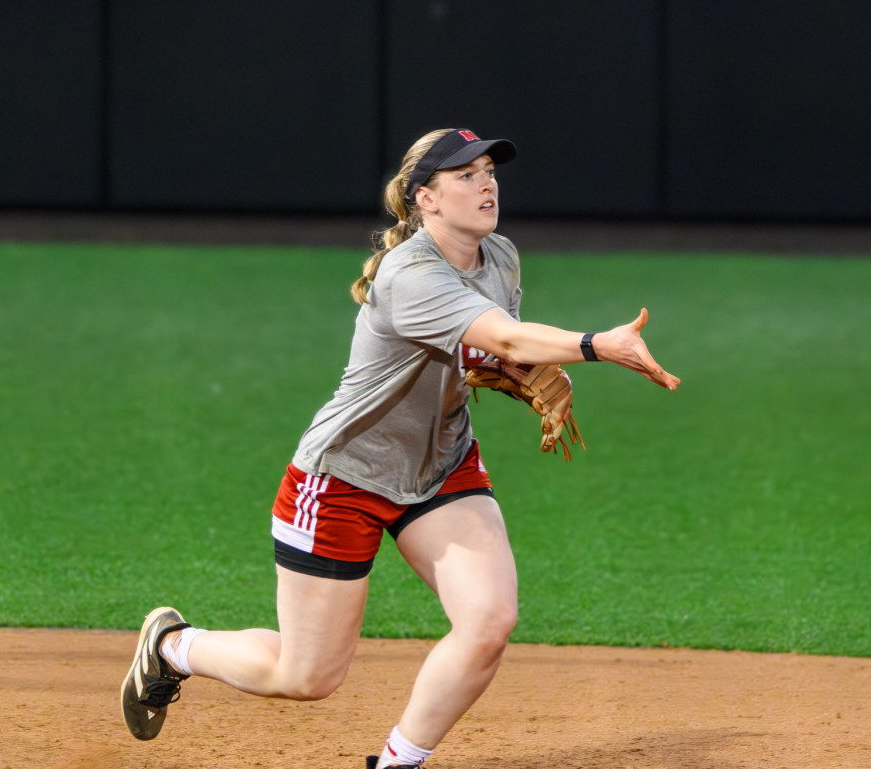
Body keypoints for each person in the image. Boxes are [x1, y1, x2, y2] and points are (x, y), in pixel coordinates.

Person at [120, 128, 681, 768]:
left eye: (489, 169)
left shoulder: (500, 257)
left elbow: (491, 350)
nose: (487, 182)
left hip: (440, 466)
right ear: (425, 198)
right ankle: (173, 646)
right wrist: (594, 345)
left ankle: (397, 763)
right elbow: (508, 336)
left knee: (488, 622)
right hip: (344, 477)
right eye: (465, 174)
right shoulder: (408, 273)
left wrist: (516, 371)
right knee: (306, 677)